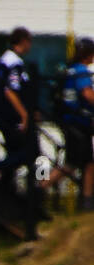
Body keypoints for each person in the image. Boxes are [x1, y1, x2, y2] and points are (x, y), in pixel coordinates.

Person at [0, 27, 38, 192]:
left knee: (14, 152)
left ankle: (4, 190)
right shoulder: (13, 62)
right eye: (29, 41)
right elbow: (10, 90)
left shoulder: (9, 60)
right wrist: (24, 115)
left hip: (6, 113)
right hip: (11, 115)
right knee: (31, 151)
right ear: (23, 41)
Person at [57, 37, 94, 210]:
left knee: (86, 162)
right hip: (78, 123)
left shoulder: (69, 70)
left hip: (70, 121)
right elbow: (87, 94)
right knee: (74, 164)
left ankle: (87, 199)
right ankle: (40, 186)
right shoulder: (81, 71)